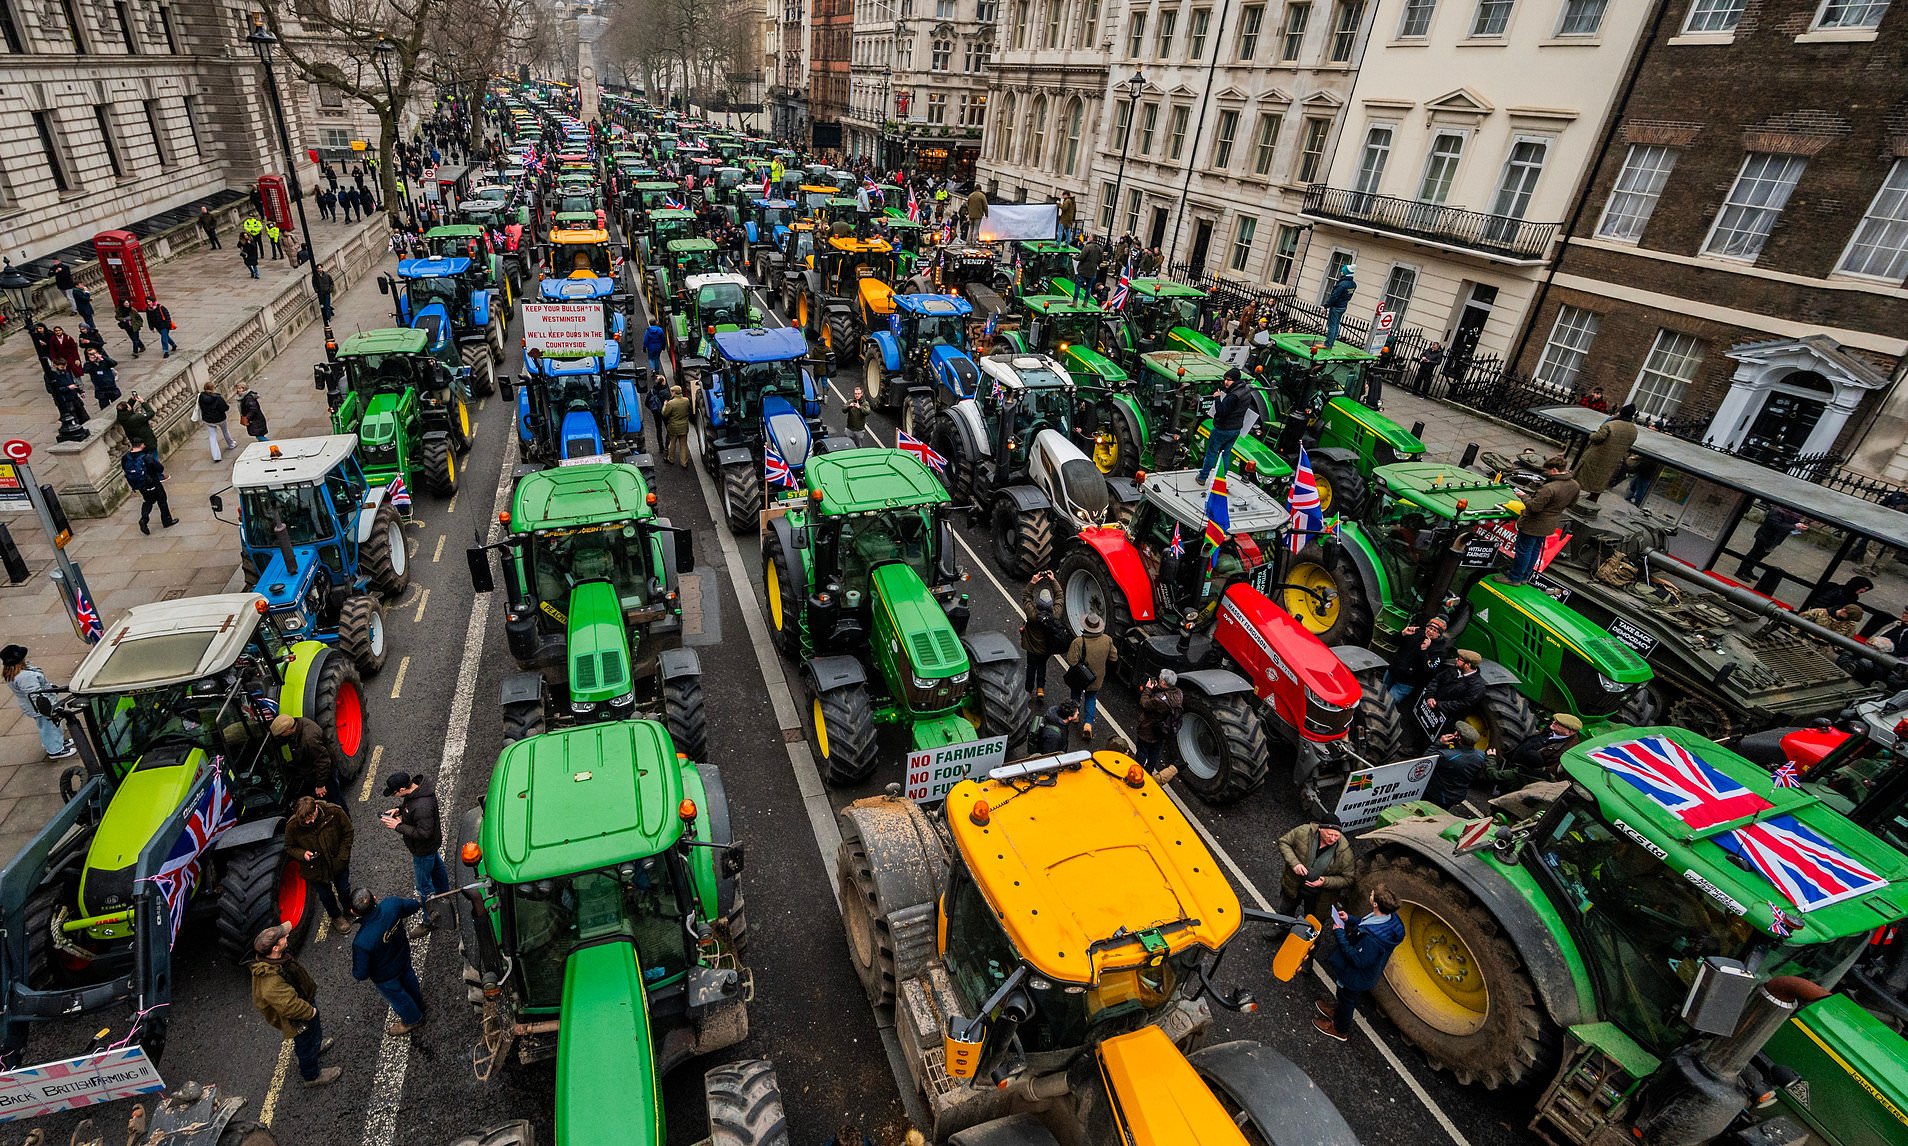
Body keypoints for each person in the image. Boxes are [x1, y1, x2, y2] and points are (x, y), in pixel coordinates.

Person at [250, 923, 341, 1087]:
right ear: (275, 948)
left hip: (305, 1003)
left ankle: (316, 1045)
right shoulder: (270, 982)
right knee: (304, 1044)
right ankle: (312, 1076)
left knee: (312, 1035)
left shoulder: (276, 959)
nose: (287, 937)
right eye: (283, 937)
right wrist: (310, 1012)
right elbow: (290, 1006)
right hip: (299, 1018)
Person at [1314, 884, 1404, 1042]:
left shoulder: (1373, 940)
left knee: (1346, 998)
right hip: (1362, 974)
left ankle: (1340, 1029)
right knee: (1343, 997)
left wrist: (1339, 933)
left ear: (1375, 904)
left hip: (1356, 977)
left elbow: (1358, 959)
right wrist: (1349, 919)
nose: (1370, 894)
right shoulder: (1389, 918)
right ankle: (1337, 1012)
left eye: (1372, 894)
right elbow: (1365, 924)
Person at [349, 889, 427, 1036]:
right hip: (403, 956)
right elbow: (414, 906)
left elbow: (361, 973)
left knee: (399, 998)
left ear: (354, 912)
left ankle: (413, 1019)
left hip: (385, 976)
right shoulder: (392, 904)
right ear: (374, 897)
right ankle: (419, 1003)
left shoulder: (361, 942)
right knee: (410, 979)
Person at [382, 772, 447, 935]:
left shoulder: (421, 806)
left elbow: (424, 833)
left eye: (395, 793)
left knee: (424, 887)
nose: (395, 796)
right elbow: (410, 808)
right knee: (438, 870)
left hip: (423, 850)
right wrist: (399, 810)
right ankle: (445, 898)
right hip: (430, 848)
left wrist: (398, 826)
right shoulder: (417, 792)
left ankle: (429, 921)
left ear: (403, 788)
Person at [283, 796, 356, 934]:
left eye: (310, 817)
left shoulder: (334, 812)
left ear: (316, 807)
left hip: (337, 862)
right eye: (304, 820)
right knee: (326, 896)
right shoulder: (292, 826)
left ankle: (348, 907)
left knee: (344, 888)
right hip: (314, 869)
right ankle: (336, 917)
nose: (308, 822)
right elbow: (289, 847)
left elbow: (348, 832)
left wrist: (343, 856)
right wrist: (302, 854)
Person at [1505, 457, 1579, 584]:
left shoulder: (1549, 488)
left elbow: (1534, 507)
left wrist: (1524, 496)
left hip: (1533, 524)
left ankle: (1515, 578)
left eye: (1548, 470)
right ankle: (1524, 577)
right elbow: (1571, 505)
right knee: (1534, 550)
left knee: (1523, 551)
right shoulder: (1575, 485)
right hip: (1550, 524)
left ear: (1554, 470)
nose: (1546, 473)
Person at [4, 644, 75, 759]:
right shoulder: (24, 676)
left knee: (51, 725)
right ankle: (55, 750)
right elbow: (35, 694)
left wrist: (50, 687)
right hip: (41, 707)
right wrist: (46, 708)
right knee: (49, 727)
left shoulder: (18, 673)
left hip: (36, 705)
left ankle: (57, 742)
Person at [1276, 818, 1356, 920]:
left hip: (1318, 896)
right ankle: (1281, 929)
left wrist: (1325, 882)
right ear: (1320, 829)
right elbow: (1284, 842)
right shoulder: (1303, 832)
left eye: (1336, 836)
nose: (1332, 839)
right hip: (1294, 884)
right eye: (1329, 834)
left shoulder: (1345, 853)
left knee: (1312, 922)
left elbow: (1349, 879)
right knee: (1285, 911)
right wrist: (1294, 863)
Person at [1484, 712, 1583, 792]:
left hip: (1523, 775)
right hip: (1514, 765)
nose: (1554, 723)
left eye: (1559, 724)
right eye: (1555, 721)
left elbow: (1548, 772)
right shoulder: (1550, 730)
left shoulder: (1566, 751)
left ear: (1570, 732)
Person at [1414, 649, 1485, 749]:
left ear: (1467, 665)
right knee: (1422, 730)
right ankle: (1415, 747)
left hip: (1448, 720)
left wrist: (1438, 705)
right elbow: (1436, 680)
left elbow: (1464, 704)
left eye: (1460, 659)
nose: (1456, 660)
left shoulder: (1477, 686)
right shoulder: (1453, 670)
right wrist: (1429, 696)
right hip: (1432, 710)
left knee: (1435, 740)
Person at [1064, 613, 1116, 740]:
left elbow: (1071, 661)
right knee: (1091, 698)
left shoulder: (1078, 642)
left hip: (1080, 677)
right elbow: (1114, 657)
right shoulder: (1107, 640)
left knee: (1075, 694)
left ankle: (1075, 716)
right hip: (1096, 678)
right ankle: (1088, 724)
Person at [271, 713, 345, 800]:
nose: (279, 737)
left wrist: (320, 785)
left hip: (325, 775)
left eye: (280, 734)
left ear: (288, 731)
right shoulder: (297, 723)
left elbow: (323, 761)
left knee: (335, 799)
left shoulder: (309, 739)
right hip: (311, 770)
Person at [1195, 369, 1250, 485]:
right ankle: (1220, 480)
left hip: (1222, 429)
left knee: (1212, 453)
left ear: (1235, 380)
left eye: (1228, 380)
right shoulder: (1245, 390)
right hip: (1235, 429)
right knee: (1226, 453)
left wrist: (1217, 398)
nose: (1225, 382)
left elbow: (1221, 411)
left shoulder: (1233, 396)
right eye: (1225, 379)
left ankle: (1202, 477)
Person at [1383, 615, 1450, 707]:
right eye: (1430, 628)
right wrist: (1403, 633)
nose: (1430, 631)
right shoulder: (1416, 633)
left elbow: (1430, 670)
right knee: (1378, 693)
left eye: (1435, 631)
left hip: (1405, 683)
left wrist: (1424, 651)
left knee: (1387, 704)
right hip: (1391, 672)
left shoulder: (1440, 651)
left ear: (1439, 634)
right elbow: (1391, 641)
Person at [1575, 405, 1637, 503]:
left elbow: (1597, 438)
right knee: (1601, 480)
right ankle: (1593, 499)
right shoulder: (1633, 430)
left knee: (1581, 476)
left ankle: (1572, 495)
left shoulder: (1611, 425)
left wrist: (1591, 434)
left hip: (1596, 456)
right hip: (1613, 460)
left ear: (1621, 413)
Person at [1134, 670, 1183, 783]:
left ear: (1164, 683)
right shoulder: (1178, 693)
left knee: (1142, 751)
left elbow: (1145, 703)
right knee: (1155, 752)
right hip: (1163, 730)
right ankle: (1149, 770)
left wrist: (1148, 689)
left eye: (1160, 680)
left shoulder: (1159, 700)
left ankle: (1137, 772)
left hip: (1148, 729)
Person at [1426, 724, 1488, 810]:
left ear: (1458, 737)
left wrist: (1439, 743)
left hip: (1437, 795)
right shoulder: (1481, 755)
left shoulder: (1448, 756)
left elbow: (1426, 760)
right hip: (1457, 795)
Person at [1737, 505, 1806, 579]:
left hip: (1775, 538)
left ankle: (1748, 569)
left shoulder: (1791, 514)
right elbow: (1775, 524)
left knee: (1761, 555)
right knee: (1755, 553)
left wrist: (1797, 526)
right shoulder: (1777, 511)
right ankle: (1741, 571)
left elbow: (1789, 525)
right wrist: (1794, 526)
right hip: (1765, 535)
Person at [122, 439, 175, 534]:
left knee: (148, 501)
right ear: (142, 445)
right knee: (162, 500)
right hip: (153, 483)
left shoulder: (126, 458)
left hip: (140, 485)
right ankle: (167, 521)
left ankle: (144, 519)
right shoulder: (146, 457)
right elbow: (160, 468)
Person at [199, 381, 236, 461]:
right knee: (225, 431)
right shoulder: (217, 398)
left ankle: (216, 456)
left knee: (212, 437)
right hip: (220, 418)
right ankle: (231, 444)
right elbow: (225, 408)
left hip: (208, 420)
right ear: (213, 388)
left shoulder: (201, 397)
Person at [1800, 574, 1873, 615]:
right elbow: (1819, 604)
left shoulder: (1852, 597)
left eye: (1866, 590)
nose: (1864, 591)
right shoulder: (1836, 591)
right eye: (1864, 588)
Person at [1322, 264, 1356, 348]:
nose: (1341, 272)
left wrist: (1326, 306)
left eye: (1342, 271)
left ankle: (1328, 344)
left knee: (1332, 325)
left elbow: (1334, 296)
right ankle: (1332, 342)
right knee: (1336, 324)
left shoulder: (1342, 284)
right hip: (1343, 306)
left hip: (1336, 307)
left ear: (1345, 272)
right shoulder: (1353, 284)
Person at [661, 385, 692, 468]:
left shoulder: (671, 403)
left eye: (672, 392)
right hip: (684, 426)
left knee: (672, 443)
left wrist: (664, 405)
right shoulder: (686, 400)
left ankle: (671, 459)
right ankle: (684, 462)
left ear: (674, 392)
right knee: (683, 445)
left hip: (673, 427)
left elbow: (664, 414)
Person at [1801, 603, 1865, 638]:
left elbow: (1848, 639)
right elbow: (1800, 621)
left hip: (1825, 650)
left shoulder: (1850, 625)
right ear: (1844, 611)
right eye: (1849, 617)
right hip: (1805, 639)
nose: (1849, 620)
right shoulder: (1819, 612)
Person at [1073, 233, 1105, 302]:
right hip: (1092, 271)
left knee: (1078, 286)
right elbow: (1101, 259)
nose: (1088, 238)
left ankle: (1075, 302)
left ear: (1092, 238)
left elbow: (1081, 257)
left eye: (1089, 237)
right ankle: (1085, 302)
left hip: (1083, 270)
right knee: (1088, 287)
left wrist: (1074, 257)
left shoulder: (1087, 247)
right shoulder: (1099, 248)